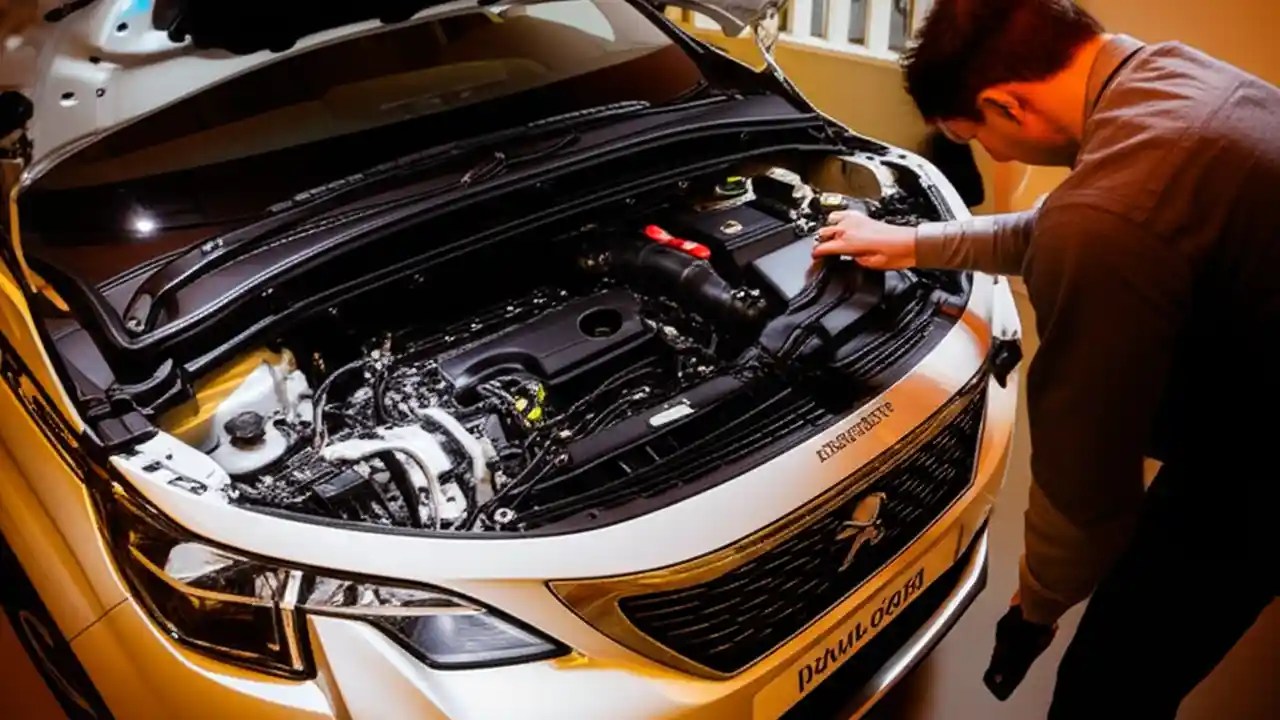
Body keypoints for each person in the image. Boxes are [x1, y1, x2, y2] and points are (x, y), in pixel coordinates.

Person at [813, 1, 1279, 717]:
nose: (996, 158)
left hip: (1253, 465)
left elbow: (1085, 474)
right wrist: (914, 243)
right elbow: (1065, 227)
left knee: (1109, 685)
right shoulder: (1169, 79)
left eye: (984, 137)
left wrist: (1040, 597)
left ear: (1007, 102)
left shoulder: (1113, 213)